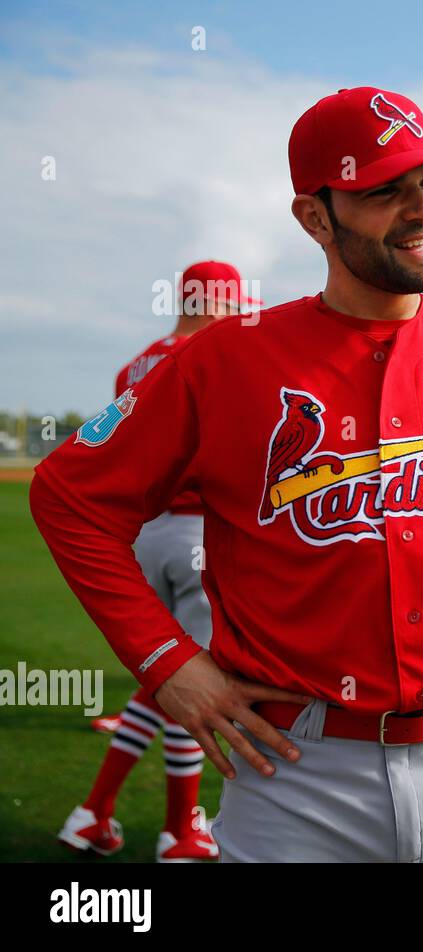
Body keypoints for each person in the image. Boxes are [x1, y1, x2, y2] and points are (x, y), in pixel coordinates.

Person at [31, 86, 423, 863]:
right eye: (384, 190)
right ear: (315, 217)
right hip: (293, 773)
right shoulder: (224, 360)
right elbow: (69, 498)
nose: (421, 209)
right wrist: (167, 662)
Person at [58, 261, 253, 861]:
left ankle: (95, 813)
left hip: (146, 535)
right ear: (223, 301)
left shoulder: (134, 363)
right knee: (191, 683)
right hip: (199, 535)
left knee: (162, 678)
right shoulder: (222, 353)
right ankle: (177, 830)